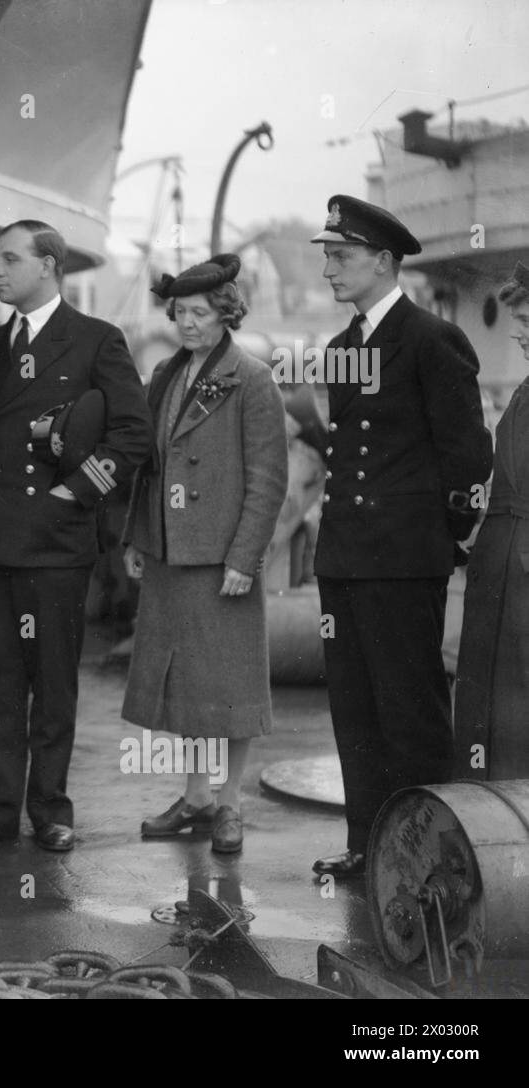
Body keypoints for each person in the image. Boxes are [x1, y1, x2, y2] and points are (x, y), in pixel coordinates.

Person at [0, 220, 153, 853]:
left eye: (9, 260)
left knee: (54, 679)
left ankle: (52, 809)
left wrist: (79, 490)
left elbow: (132, 434)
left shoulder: (95, 340)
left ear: (49, 266)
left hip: (56, 543)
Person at [309, 195, 493, 877]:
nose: (329, 268)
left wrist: (441, 542)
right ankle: (369, 843)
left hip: (404, 560)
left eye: (341, 255)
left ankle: (430, 855)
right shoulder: (340, 349)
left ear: (383, 261)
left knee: (410, 711)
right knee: (354, 712)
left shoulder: (429, 338)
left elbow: (466, 455)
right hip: (345, 558)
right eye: (327, 255)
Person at [122, 254, 288, 853]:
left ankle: (230, 804)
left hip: (222, 562)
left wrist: (245, 558)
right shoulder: (166, 373)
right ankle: (195, 798)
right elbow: (148, 466)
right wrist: (139, 539)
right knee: (187, 687)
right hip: (171, 554)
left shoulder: (254, 379)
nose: (188, 323)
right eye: (181, 312)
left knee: (230, 689)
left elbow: (268, 480)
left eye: (200, 312)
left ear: (226, 315)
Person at [453, 263, 529, 780]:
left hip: (520, 581)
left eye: (526, 319)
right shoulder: (524, 392)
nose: (516, 330)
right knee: (493, 716)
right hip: (501, 579)